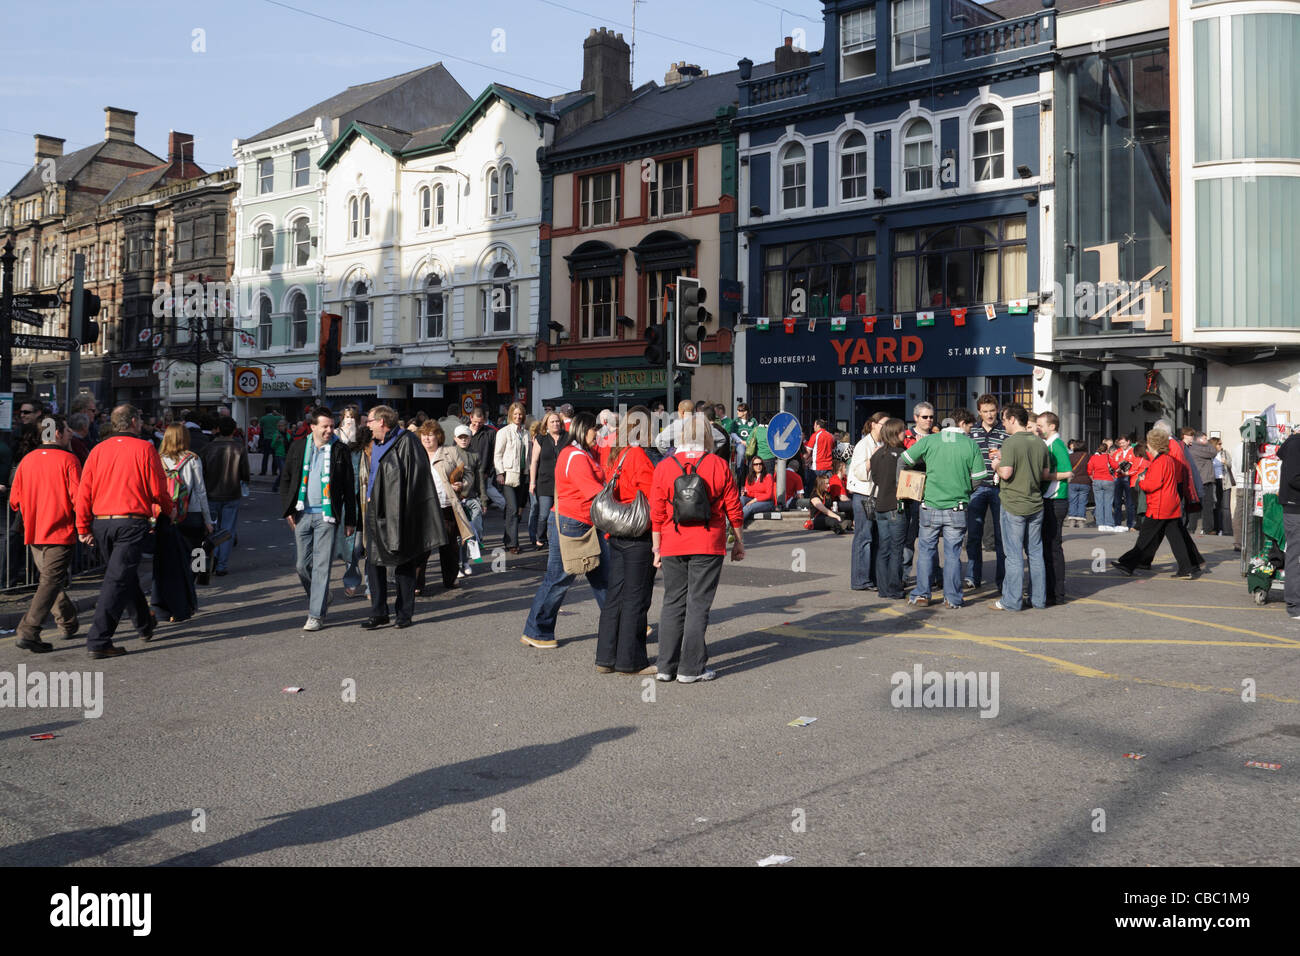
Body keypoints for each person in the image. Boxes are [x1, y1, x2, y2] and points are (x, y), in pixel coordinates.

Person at [650, 412, 745, 683]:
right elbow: (734, 509)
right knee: (698, 604)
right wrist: (738, 541)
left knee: (672, 602)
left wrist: (656, 547)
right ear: (707, 436)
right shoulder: (718, 464)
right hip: (708, 541)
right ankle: (691, 669)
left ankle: (665, 666)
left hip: (672, 540)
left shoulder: (665, 466)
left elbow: (656, 512)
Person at [73, 404, 174, 658]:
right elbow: (158, 487)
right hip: (130, 522)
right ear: (133, 422)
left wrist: (83, 526)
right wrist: (168, 508)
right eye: (139, 419)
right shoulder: (144, 448)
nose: (141, 423)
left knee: (122, 576)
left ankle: (144, 624)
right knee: (116, 581)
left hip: (102, 523)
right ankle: (99, 640)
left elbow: (84, 491)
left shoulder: (97, 450)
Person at [521, 412, 609, 649]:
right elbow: (593, 491)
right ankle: (536, 630)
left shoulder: (577, 452)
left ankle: (622, 622)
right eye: (594, 429)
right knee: (559, 579)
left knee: (602, 577)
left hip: (579, 521)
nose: (597, 434)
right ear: (583, 429)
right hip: (574, 522)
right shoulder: (577, 456)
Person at [362, 406, 444, 629]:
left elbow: (417, 480)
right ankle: (379, 612)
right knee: (373, 562)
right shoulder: (374, 443)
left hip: (399, 511)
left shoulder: (407, 441)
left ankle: (404, 613)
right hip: (374, 509)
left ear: (381, 422)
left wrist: (406, 512)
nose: (366, 425)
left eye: (369, 421)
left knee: (403, 561)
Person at [900, 407, 987, 608]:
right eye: (969, 427)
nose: (970, 431)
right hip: (957, 507)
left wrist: (915, 486)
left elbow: (903, 460)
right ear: (962, 424)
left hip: (929, 505)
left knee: (926, 551)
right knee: (953, 554)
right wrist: (965, 490)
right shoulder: (970, 445)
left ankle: (922, 593)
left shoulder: (930, 441)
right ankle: (953, 598)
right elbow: (979, 478)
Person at [280, 407, 358, 631]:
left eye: (332, 426)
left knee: (322, 566)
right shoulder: (297, 447)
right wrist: (288, 510)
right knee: (302, 565)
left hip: (327, 515)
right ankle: (321, 595)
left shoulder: (340, 450)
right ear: (312, 426)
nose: (329, 430)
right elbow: (286, 479)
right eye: (324, 426)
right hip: (302, 513)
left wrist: (350, 520)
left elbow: (348, 489)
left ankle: (316, 614)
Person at [594, 405, 658, 676]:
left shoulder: (614, 453)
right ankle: (631, 661)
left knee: (615, 596)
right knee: (636, 597)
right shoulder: (639, 456)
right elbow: (652, 497)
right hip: (637, 533)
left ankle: (606, 657)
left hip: (616, 530)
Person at [9, 415, 81, 653]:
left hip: (34, 530)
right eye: (68, 429)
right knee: (50, 581)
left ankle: (68, 622)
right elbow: (78, 499)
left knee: (49, 581)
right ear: (57, 433)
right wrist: (85, 527)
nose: (71, 433)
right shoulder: (69, 460)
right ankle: (29, 630)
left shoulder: (26, 461)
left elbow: (15, 501)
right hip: (59, 530)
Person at [1111, 430, 1197, 578]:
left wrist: (1142, 480)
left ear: (1153, 444)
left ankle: (1127, 564)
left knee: (1144, 538)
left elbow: (1152, 485)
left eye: (1149, 443)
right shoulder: (1168, 459)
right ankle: (1186, 568)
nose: (1147, 446)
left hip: (1159, 505)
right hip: (1171, 503)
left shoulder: (1159, 461)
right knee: (1176, 539)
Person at [994, 403, 1050, 612]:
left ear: (1012, 419)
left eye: (1004, 419)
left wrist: (996, 465)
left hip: (1013, 504)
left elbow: (1006, 473)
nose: (1003, 423)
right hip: (1036, 503)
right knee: (1035, 553)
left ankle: (1012, 600)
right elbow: (1045, 474)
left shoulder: (1010, 444)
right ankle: (1038, 599)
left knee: (1014, 555)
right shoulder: (1040, 443)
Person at [416, 421, 474, 595]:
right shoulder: (416, 454)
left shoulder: (450, 451)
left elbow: (468, 473)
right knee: (422, 547)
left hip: (446, 505)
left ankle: (450, 579)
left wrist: (461, 485)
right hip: (424, 507)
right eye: (424, 434)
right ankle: (417, 583)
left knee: (449, 545)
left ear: (438, 436)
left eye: (430, 434)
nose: (426, 437)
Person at [199, 416, 250, 577]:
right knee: (227, 529)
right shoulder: (239, 447)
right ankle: (222, 564)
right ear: (234, 430)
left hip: (211, 493)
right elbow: (245, 473)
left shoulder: (207, 448)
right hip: (232, 493)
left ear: (218, 429)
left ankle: (208, 563)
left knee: (210, 530)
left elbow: (202, 473)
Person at [159, 423, 213, 571]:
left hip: (168, 512)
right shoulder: (193, 459)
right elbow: (201, 491)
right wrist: (208, 520)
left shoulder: (159, 460)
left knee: (171, 551)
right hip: (192, 511)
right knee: (196, 549)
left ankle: (176, 579)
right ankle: (196, 577)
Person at [966, 395, 1006, 592]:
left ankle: (1002, 581)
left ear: (997, 410)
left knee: (1001, 537)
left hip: (1000, 487)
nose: (990, 415)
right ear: (979, 412)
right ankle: (973, 577)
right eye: (986, 411)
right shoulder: (971, 431)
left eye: (992, 410)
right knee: (974, 534)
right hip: (977, 488)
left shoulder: (1005, 430)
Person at [847, 413, 886, 590]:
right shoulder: (863, 445)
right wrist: (874, 458)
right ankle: (860, 580)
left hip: (877, 495)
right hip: (864, 495)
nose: (885, 427)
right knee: (864, 537)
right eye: (882, 424)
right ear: (872, 425)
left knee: (876, 537)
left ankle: (873, 577)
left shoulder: (881, 443)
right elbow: (860, 473)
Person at [1038, 411, 1073, 606]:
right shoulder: (1049, 444)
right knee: (1049, 547)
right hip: (1051, 499)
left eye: (1041, 425)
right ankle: (1051, 590)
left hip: (1055, 500)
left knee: (1053, 548)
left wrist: (1045, 476)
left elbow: (1068, 471)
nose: (1038, 428)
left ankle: (1057, 593)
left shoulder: (1057, 444)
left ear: (1052, 426)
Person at [901, 401, 937, 587]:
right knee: (909, 535)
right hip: (911, 490)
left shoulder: (938, 436)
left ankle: (933, 575)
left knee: (931, 535)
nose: (929, 420)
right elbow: (902, 461)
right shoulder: (906, 436)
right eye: (925, 417)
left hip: (932, 490)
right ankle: (904, 575)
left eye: (931, 416)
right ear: (915, 418)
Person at [870, 418, 907, 599]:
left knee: (883, 549)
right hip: (895, 506)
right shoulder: (902, 454)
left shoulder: (877, 455)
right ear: (895, 433)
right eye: (902, 431)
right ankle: (894, 589)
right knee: (896, 550)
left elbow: (875, 479)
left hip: (880, 506)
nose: (905, 433)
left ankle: (883, 589)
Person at [494, 402, 532, 554]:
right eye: (515, 414)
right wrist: (499, 473)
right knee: (513, 508)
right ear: (510, 415)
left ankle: (508, 539)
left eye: (520, 414)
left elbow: (528, 455)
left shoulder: (526, 433)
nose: (518, 416)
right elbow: (498, 454)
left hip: (523, 474)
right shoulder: (503, 432)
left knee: (515, 511)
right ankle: (512, 544)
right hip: (508, 474)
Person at [529, 411, 569, 553]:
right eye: (552, 422)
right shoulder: (541, 438)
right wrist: (532, 482)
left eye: (557, 421)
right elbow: (534, 461)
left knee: (561, 514)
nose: (555, 424)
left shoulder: (568, 437)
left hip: (563, 483)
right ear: (546, 424)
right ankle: (540, 539)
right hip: (544, 482)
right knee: (544, 514)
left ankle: (558, 539)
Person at [449, 425, 485, 576]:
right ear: (455, 439)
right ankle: (457, 564)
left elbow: (480, 479)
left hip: (471, 499)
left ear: (471, 438)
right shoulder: (450, 453)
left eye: (466, 437)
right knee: (458, 536)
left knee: (471, 533)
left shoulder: (475, 455)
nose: (463, 440)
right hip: (455, 500)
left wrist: (483, 500)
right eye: (460, 437)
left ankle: (465, 561)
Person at [467, 406, 501, 512]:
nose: (477, 425)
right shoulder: (463, 432)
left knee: (480, 500)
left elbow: (494, 454)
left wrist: (489, 471)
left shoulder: (489, 433)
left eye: (480, 423)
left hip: (482, 473)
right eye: (475, 422)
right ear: (471, 417)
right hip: (466, 473)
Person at [1187, 433, 1219, 535]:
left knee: (1197, 505)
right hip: (1203, 480)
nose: (1207, 441)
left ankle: (1192, 527)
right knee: (1206, 506)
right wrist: (1209, 444)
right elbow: (1213, 452)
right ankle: (1207, 528)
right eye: (1205, 439)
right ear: (1199, 440)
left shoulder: (1194, 448)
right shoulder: (1197, 448)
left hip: (1201, 480)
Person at [1087, 441, 1117, 531]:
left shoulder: (1093, 457)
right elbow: (1116, 466)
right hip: (1108, 480)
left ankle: (1100, 523)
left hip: (1097, 480)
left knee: (1099, 503)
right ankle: (1109, 523)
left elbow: (1089, 469)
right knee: (1108, 502)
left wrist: (1093, 478)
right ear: (1107, 449)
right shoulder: (1108, 457)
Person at [1110, 436, 1137, 530]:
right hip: (1118, 477)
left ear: (1128, 442)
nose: (1122, 445)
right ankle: (1117, 523)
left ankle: (1131, 524)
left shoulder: (1134, 451)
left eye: (1123, 443)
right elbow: (1112, 463)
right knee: (1117, 502)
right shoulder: (1118, 451)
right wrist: (1116, 460)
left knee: (1129, 502)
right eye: (1120, 443)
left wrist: (1128, 466)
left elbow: (1136, 463)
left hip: (1129, 477)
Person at [741, 455, 776, 526]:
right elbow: (750, 493)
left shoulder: (768, 476)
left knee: (749, 507)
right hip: (753, 499)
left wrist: (754, 500)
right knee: (741, 499)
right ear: (752, 466)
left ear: (763, 465)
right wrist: (745, 494)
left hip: (767, 502)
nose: (758, 466)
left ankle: (736, 526)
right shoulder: (749, 477)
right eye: (756, 464)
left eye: (760, 464)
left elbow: (769, 495)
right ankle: (730, 521)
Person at [1067, 439, 1092, 528]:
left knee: (1072, 501)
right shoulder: (1088, 456)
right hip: (1085, 481)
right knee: (1082, 501)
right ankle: (1081, 520)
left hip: (1073, 481)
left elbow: (1067, 469)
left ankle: (1072, 521)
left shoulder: (1070, 456)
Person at [803, 419, 835, 488]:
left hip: (817, 467)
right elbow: (832, 450)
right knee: (826, 489)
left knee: (814, 489)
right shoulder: (831, 436)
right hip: (828, 467)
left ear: (818, 425)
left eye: (814, 425)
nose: (813, 427)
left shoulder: (815, 435)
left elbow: (807, 453)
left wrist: (802, 460)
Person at [257, 407, 281, 476]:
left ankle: (263, 471)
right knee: (274, 456)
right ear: (272, 411)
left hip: (266, 439)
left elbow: (261, 427)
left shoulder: (263, 418)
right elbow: (283, 418)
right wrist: (277, 413)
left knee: (265, 456)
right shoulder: (276, 418)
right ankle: (274, 471)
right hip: (274, 438)